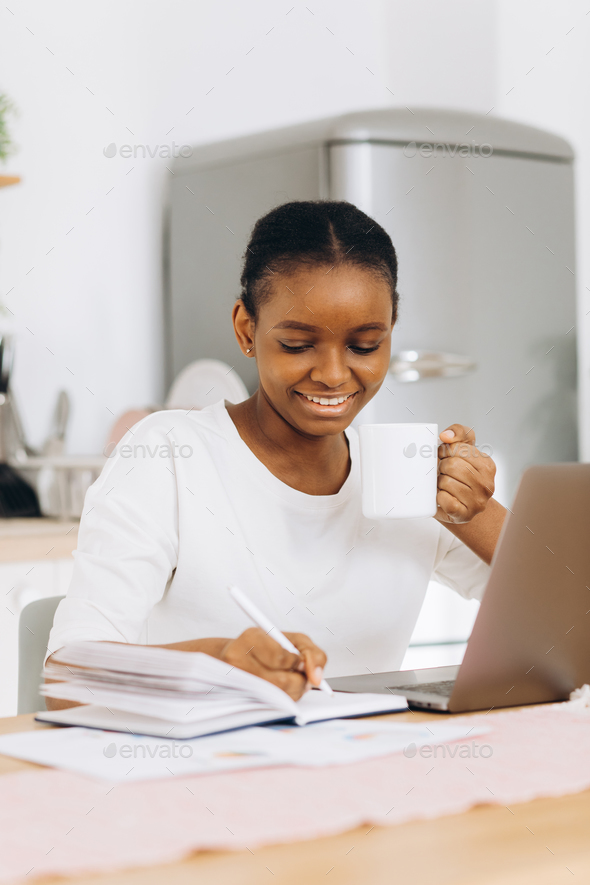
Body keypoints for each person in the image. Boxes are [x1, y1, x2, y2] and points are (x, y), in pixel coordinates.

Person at [46, 200, 504, 710]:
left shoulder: (407, 476)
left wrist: (477, 514)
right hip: (205, 772)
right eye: (297, 344)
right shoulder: (170, 457)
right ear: (247, 330)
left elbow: (575, 613)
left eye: (364, 345)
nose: (333, 374)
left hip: (370, 767)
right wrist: (218, 663)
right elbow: (68, 679)